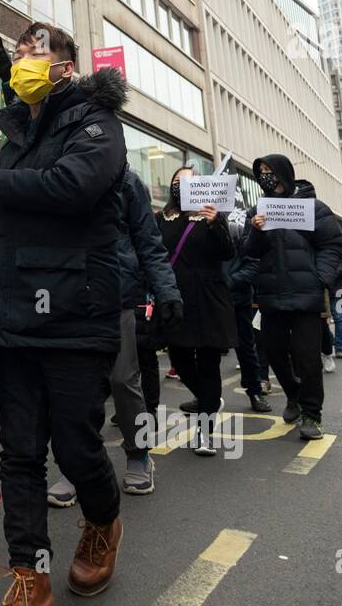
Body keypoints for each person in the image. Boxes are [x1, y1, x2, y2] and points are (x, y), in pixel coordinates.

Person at [0, 23, 127, 606]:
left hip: (75, 313)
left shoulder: (95, 122)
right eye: (17, 54)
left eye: (34, 52)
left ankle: (103, 521)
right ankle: (30, 572)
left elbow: (71, 187)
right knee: (20, 451)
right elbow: (5, 214)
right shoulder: (19, 134)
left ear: (65, 65)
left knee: (75, 445)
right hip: (13, 314)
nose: (22, 61)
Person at [49, 165, 183, 503]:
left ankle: (139, 455)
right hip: (67, 297)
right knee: (74, 387)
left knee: (124, 381)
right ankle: (76, 466)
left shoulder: (127, 181)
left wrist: (166, 290)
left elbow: (149, 243)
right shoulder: (55, 172)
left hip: (117, 297)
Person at [244, 154, 342, 442]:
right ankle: (294, 396)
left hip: (306, 297)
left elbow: (332, 245)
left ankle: (312, 414)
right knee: (274, 353)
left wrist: (320, 278)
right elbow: (249, 252)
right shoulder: (259, 210)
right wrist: (256, 231)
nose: (265, 176)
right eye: (260, 172)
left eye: (269, 171)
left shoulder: (313, 208)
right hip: (271, 297)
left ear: (283, 173)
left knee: (307, 358)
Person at [157, 166, 237, 455]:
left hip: (209, 299)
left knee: (208, 364)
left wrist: (217, 223)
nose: (182, 185)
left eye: (188, 181)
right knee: (178, 356)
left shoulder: (210, 215)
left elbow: (228, 252)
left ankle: (205, 432)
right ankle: (209, 399)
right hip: (175, 299)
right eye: (177, 181)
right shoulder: (161, 218)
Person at [226, 208, 272, 413]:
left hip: (238, 299)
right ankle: (203, 396)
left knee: (245, 349)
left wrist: (227, 283)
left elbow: (252, 266)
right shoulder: (205, 225)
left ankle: (255, 391)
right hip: (213, 299)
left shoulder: (243, 228)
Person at [329, 247, 342, 360]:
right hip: (323, 289)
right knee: (320, 320)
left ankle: (339, 348)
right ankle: (331, 341)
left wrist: (327, 275)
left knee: (340, 319)